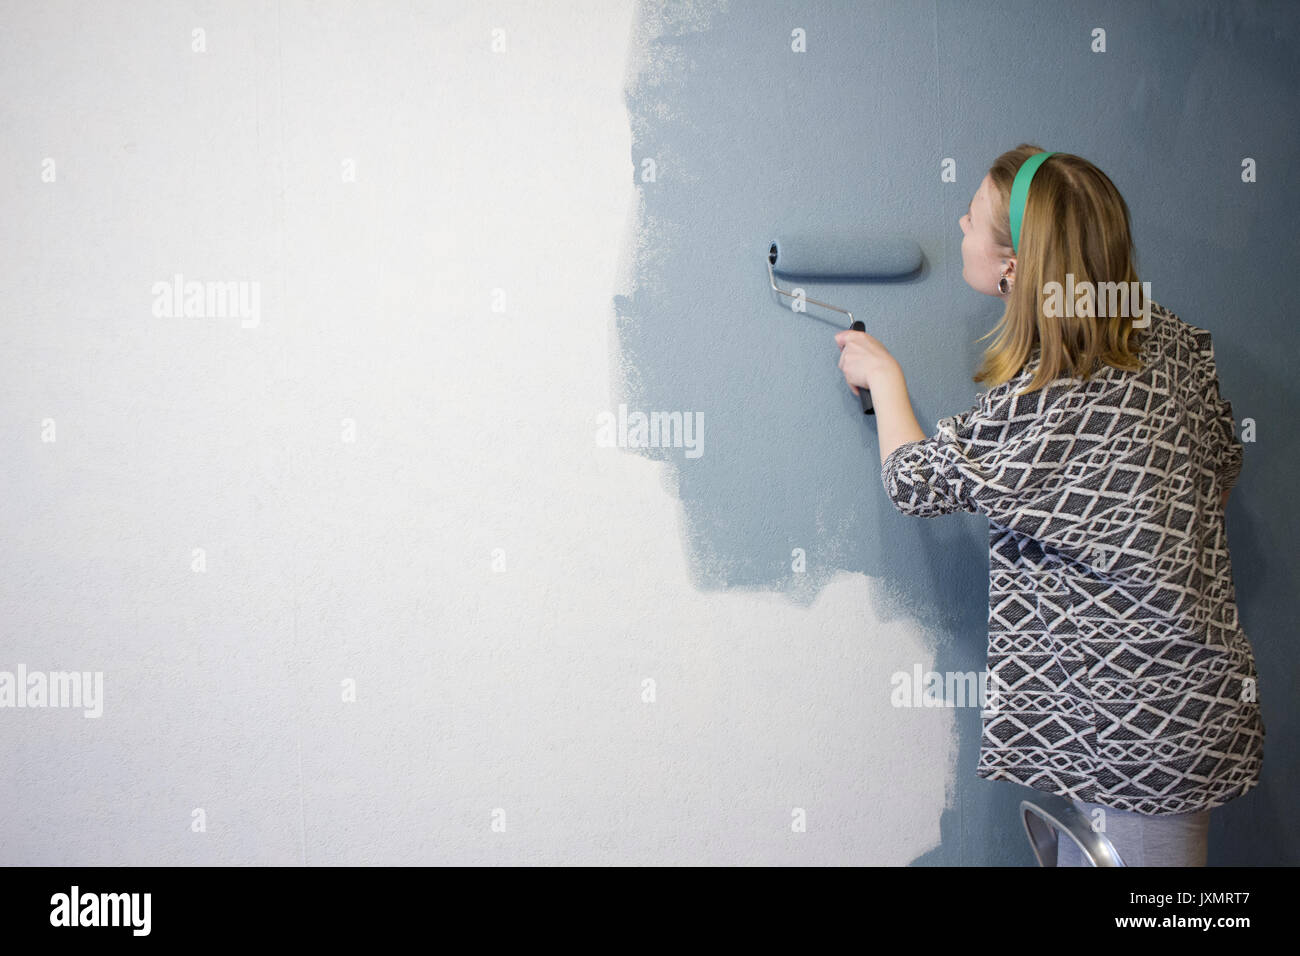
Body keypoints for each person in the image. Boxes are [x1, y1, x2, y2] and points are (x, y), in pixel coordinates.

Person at [835, 145, 1264, 867]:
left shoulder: (1049, 398)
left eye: (972, 215)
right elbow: (1222, 467)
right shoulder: (1173, 344)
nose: (960, 219)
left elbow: (915, 481)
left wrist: (883, 376)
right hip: (1187, 701)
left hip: (1130, 729)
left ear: (1013, 266)